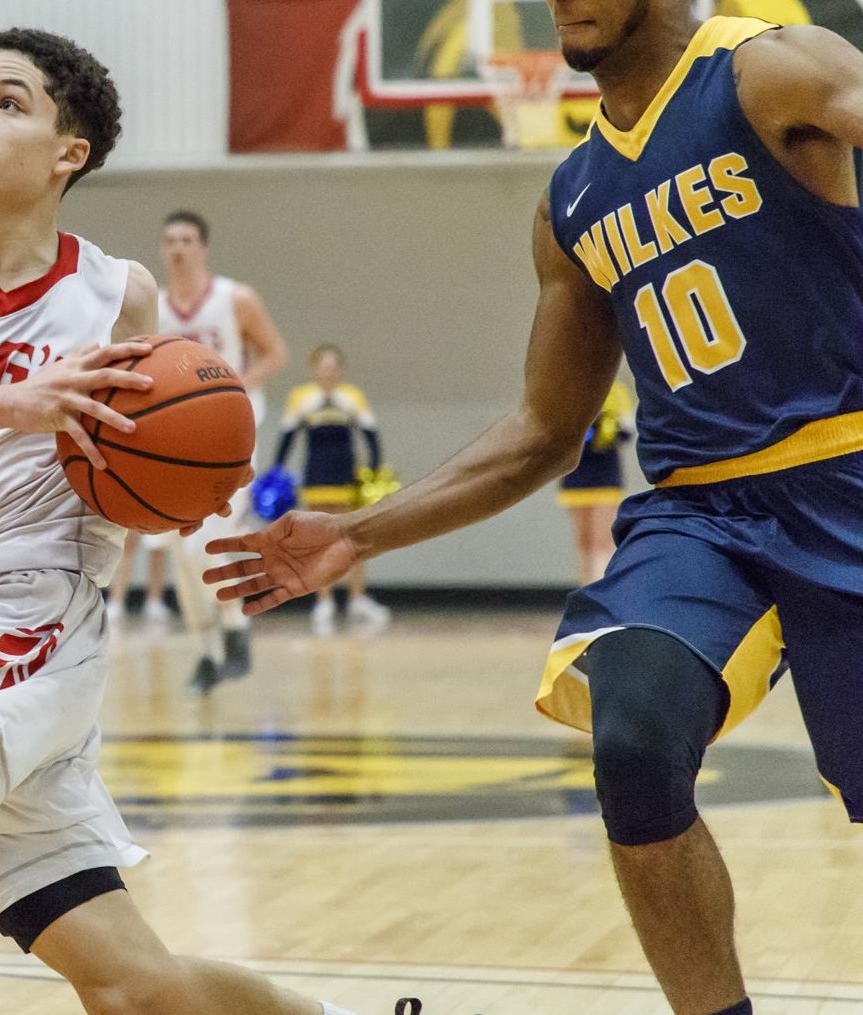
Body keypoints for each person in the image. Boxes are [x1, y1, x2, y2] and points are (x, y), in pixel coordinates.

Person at [206, 11, 863, 1015]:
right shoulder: (571, 199)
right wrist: (356, 533)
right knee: (633, 740)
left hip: (845, 473)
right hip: (699, 513)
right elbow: (543, 430)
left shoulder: (765, 68)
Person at [0, 27, 363, 1015]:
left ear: (68, 153)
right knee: (135, 988)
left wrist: (206, 497)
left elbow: (144, 469)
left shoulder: (115, 294)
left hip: (29, 614)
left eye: (8, 102)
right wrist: (10, 402)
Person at [149, 209, 289, 688]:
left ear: (202, 246)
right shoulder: (155, 308)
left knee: (210, 541)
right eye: (170, 240)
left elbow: (275, 352)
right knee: (182, 551)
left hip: (231, 437)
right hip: (174, 442)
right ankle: (210, 649)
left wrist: (233, 387)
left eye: (187, 239)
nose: (178, 248)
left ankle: (234, 627)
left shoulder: (236, 298)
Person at [270, 345, 389, 634]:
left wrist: (374, 469)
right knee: (319, 540)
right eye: (323, 366)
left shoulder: (352, 397)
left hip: (347, 474)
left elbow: (370, 435)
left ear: (341, 370)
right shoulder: (301, 397)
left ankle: (357, 598)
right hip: (316, 474)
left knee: (353, 537)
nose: (328, 372)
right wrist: (277, 471)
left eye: (334, 366)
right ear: (314, 370)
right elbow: (287, 437)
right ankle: (323, 601)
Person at [559, 380, 636, 585]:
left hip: (605, 476)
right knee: (583, 540)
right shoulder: (569, 388)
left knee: (601, 540)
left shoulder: (617, 391)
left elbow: (626, 432)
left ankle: (598, 590)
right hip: (576, 474)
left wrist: (604, 427)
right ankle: (586, 587)